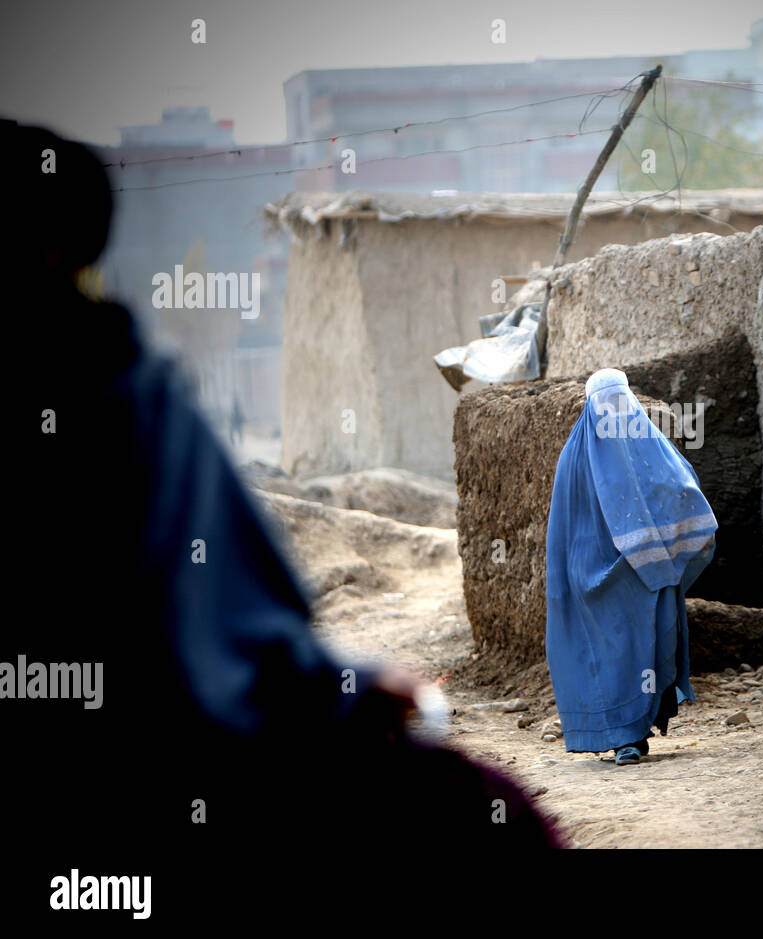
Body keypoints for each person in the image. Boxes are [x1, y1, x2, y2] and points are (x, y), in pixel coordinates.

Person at [3, 120, 560, 921]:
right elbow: (221, 662)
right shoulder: (121, 402)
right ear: (67, 257)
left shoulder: (121, 395)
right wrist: (349, 691)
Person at [546, 368, 717, 765]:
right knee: (608, 655)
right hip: (594, 581)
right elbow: (564, 531)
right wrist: (579, 578)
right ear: (591, 409)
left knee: (648, 647)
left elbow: (680, 489)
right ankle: (622, 734)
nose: (614, 414)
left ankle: (637, 732)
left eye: (620, 403)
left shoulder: (650, 445)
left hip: (646, 573)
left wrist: (660, 546)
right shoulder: (574, 457)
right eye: (606, 406)